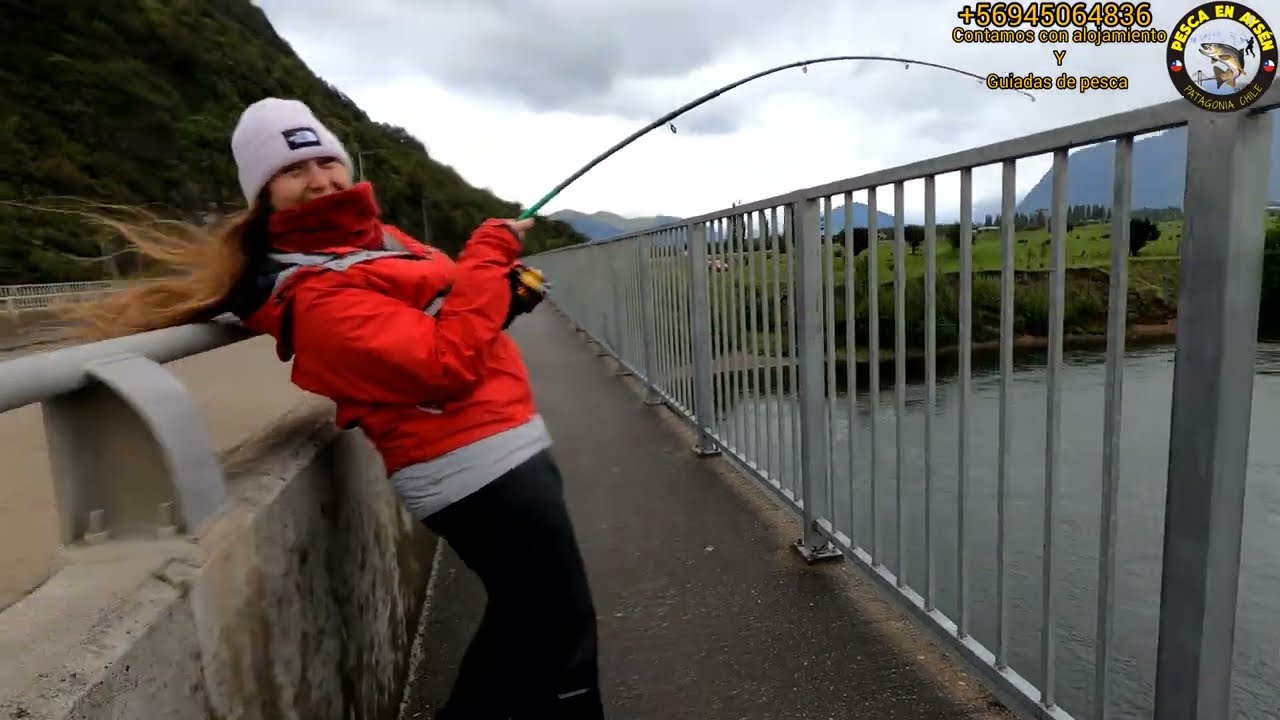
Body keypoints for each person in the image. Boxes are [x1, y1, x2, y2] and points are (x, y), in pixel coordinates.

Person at [76, 97, 605, 720]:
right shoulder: (311, 293)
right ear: (263, 194)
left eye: (326, 159)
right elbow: (441, 367)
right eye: (293, 170)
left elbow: (443, 313)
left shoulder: (379, 241)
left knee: (537, 625)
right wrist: (488, 256)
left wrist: (497, 299)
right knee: (556, 633)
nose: (319, 179)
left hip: (503, 439)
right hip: (472, 467)